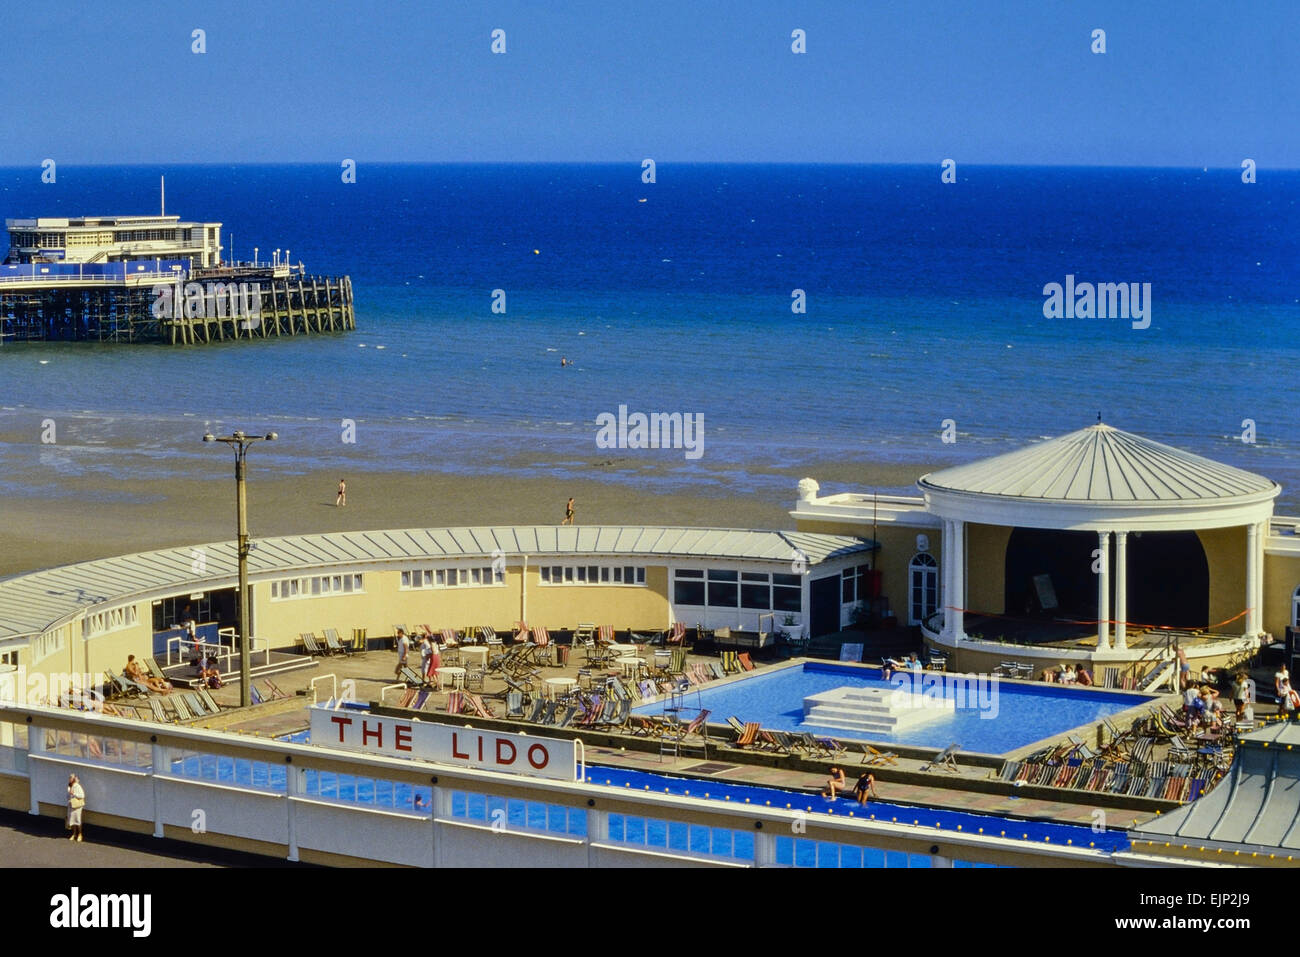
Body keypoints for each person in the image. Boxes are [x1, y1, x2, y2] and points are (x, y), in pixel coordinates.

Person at [66, 774, 85, 842]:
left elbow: (82, 796)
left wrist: (74, 794)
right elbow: (68, 796)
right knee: (72, 820)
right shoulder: (70, 786)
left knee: (77, 820)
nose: (70, 779)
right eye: (69, 777)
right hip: (71, 805)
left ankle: (80, 834)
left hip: (77, 806)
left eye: (71, 778)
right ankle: (74, 834)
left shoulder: (78, 786)